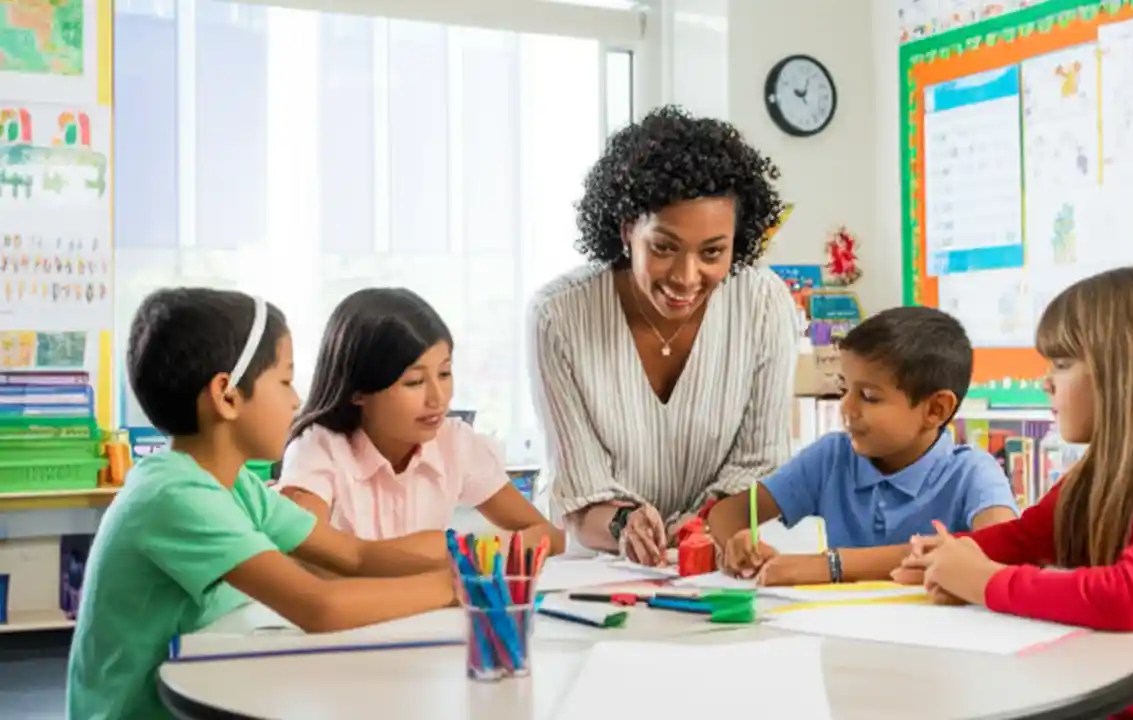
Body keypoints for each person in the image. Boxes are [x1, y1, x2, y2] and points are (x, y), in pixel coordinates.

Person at [900, 266, 1133, 719]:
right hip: (1098, 699)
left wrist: (981, 580)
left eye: (1061, 364)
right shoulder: (1097, 478)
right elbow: (1019, 540)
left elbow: (1130, 596)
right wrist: (942, 558)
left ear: (1128, 376)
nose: (1046, 382)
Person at [67, 289, 456, 720]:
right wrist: (455, 587)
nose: (296, 400)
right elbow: (319, 606)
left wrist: (468, 556)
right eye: (286, 381)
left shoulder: (234, 485)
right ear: (227, 396)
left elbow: (354, 554)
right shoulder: (175, 496)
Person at [529, 105, 796, 566]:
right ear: (627, 228)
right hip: (596, 573)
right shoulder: (559, 317)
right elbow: (578, 494)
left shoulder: (764, 304)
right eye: (664, 248)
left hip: (714, 563)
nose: (687, 277)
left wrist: (699, 531)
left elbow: (760, 469)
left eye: (713, 252)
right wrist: (624, 526)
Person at [708, 306, 1018, 585]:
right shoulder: (832, 457)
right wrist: (739, 541)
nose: (846, 407)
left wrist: (833, 565)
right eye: (844, 388)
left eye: (869, 397)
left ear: (936, 410)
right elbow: (726, 513)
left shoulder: (972, 472)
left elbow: (1003, 547)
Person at [279, 288, 563, 555]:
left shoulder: (454, 442)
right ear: (357, 391)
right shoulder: (317, 449)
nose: (438, 399)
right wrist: (439, 550)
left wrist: (468, 551)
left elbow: (548, 535)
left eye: (444, 373)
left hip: (432, 606)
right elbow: (310, 552)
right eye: (414, 382)